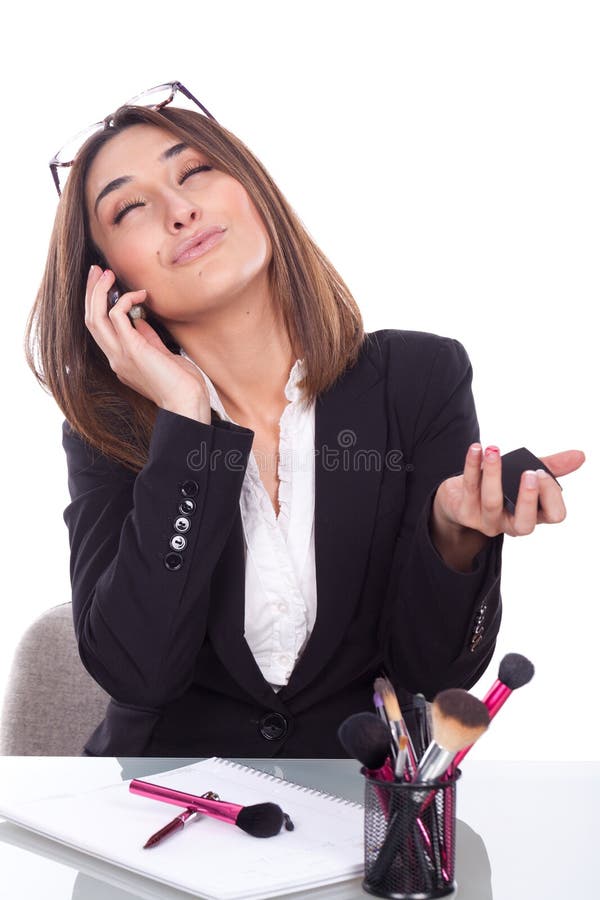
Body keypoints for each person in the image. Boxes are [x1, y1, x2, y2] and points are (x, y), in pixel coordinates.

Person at [25, 82, 584, 757]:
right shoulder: (106, 429)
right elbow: (137, 674)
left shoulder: (419, 377)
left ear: (255, 191)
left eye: (194, 171)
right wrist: (184, 423)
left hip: (361, 804)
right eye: (130, 207)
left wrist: (452, 535)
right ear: (108, 279)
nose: (180, 210)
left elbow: (431, 676)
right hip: (165, 805)